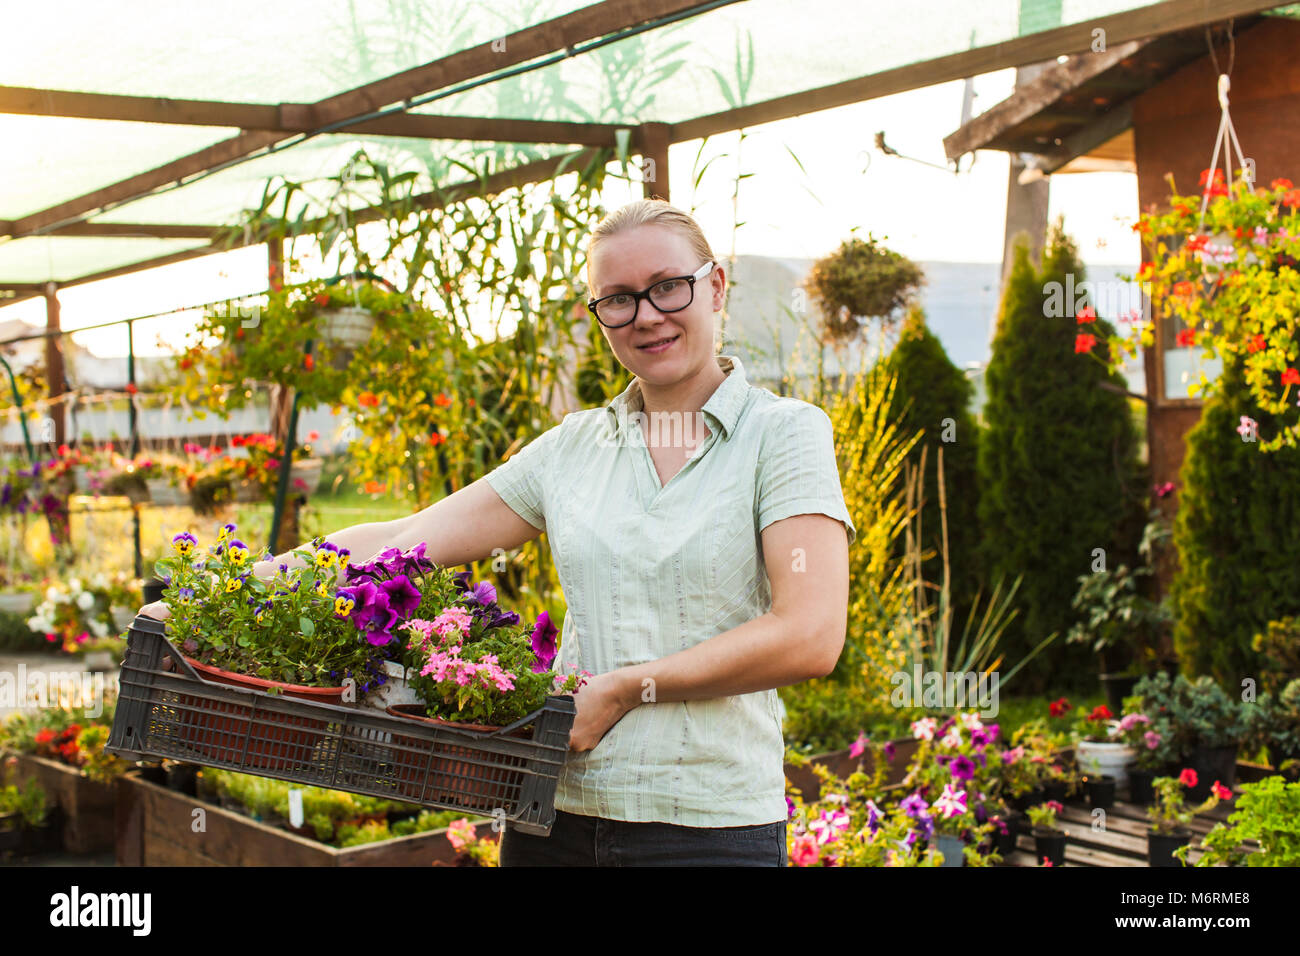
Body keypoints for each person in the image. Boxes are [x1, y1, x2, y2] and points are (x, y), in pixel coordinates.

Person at [142, 198, 855, 866]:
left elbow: (810, 633)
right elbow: (404, 538)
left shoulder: (782, 435)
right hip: (554, 816)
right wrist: (216, 598)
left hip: (709, 829)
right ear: (599, 315)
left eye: (669, 286)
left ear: (716, 287)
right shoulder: (574, 448)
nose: (646, 316)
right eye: (618, 300)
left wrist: (624, 689)